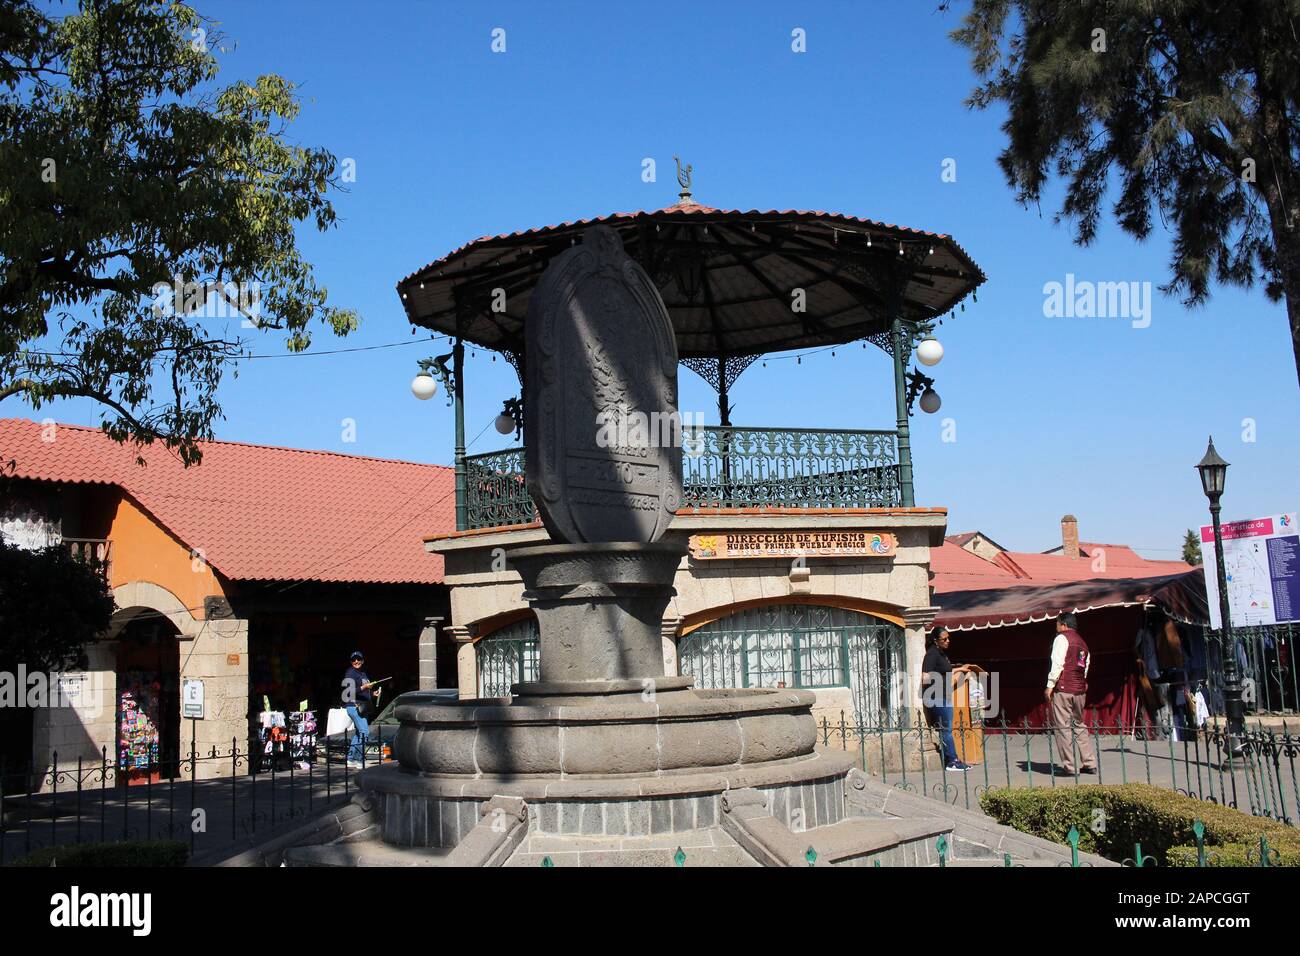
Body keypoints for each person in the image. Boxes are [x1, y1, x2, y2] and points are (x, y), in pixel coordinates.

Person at [1046, 613, 1097, 774]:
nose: (1056, 626)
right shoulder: (1083, 643)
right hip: (1079, 690)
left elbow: (1058, 663)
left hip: (1064, 688)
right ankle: (1089, 762)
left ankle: (1070, 766)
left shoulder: (1061, 638)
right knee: (1079, 724)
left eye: (1057, 623)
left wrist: (1050, 685)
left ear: (1063, 625)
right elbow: (1085, 667)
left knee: (1063, 727)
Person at [921, 627, 970, 772]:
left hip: (944, 695)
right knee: (946, 729)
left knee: (948, 728)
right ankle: (952, 761)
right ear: (936, 641)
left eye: (948, 638)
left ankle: (953, 759)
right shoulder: (932, 654)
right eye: (944, 639)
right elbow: (925, 677)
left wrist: (960, 669)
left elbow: (945, 670)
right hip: (937, 697)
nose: (948, 641)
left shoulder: (941, 654)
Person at [341, 650, 381, 770]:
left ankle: (351, 759)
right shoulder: (350, 673)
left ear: (362, 660)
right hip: (354, 706)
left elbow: (363, 690)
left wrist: (372, 693)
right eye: (354, 660)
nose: (356, 661)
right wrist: (364, 687)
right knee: (365, 732)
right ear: (351, 662)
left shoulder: (363, 673)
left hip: (363, 707)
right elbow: (348, 692)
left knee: (359, 734)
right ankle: (359, 760)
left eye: (358, 659)